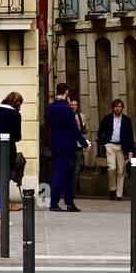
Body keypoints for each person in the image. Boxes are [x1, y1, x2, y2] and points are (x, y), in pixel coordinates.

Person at [46, 83, 87, 212]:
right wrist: (85, 144)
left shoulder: (50, 108)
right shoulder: (66, 109)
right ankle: (53, 203)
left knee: (67, 174)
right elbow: (74, 128)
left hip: (55, 143)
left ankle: (70, 203)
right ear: (66, 93)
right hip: (66, 145)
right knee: (59, 174)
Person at [0, 91, 23, 223]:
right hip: (7, 151)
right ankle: (0, 215)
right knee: (4, 184)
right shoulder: (15, 114)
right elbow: (17, 136)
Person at [96, 98, 135, 200]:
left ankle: (119, 195)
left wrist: (130, 152)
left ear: (122, 108)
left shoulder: (127, 120)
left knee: (121, 171)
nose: (117, 108)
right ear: (113, 108)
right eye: (116, 106)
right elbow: (100, 133)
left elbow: (131, 137)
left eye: (119, 106)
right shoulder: (107, 118)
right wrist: (104, 144)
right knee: (112, 168)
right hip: (110, 145)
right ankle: (112, 189)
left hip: (122, 147)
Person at [69, 95, 88, 197]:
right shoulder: (66, 115)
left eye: (75, 105)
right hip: (68, 145)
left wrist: (82, 125)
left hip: (78, 145)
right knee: (69, 168)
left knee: (76, 170)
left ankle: (73, 192)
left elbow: (85, 131)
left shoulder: (81, 116)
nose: (73, 107)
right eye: (71, 105)